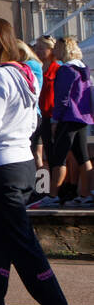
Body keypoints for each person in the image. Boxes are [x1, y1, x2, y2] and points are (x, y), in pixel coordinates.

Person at [0, 18, 72, 305]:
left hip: (3, 167)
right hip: (18, 163)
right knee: (0, 238)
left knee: (21, 241)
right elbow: (30, 122)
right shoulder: (24, 74)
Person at [34, 37, 92, 208]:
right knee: (83, 156)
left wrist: (55, 120)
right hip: (82, 117)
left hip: (68, 117)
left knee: (59, 157)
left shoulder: (65, 70)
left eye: (57, 48)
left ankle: (53, 195)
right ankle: (86, 194)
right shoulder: (82, 68)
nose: (55, 51)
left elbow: (62, 98)